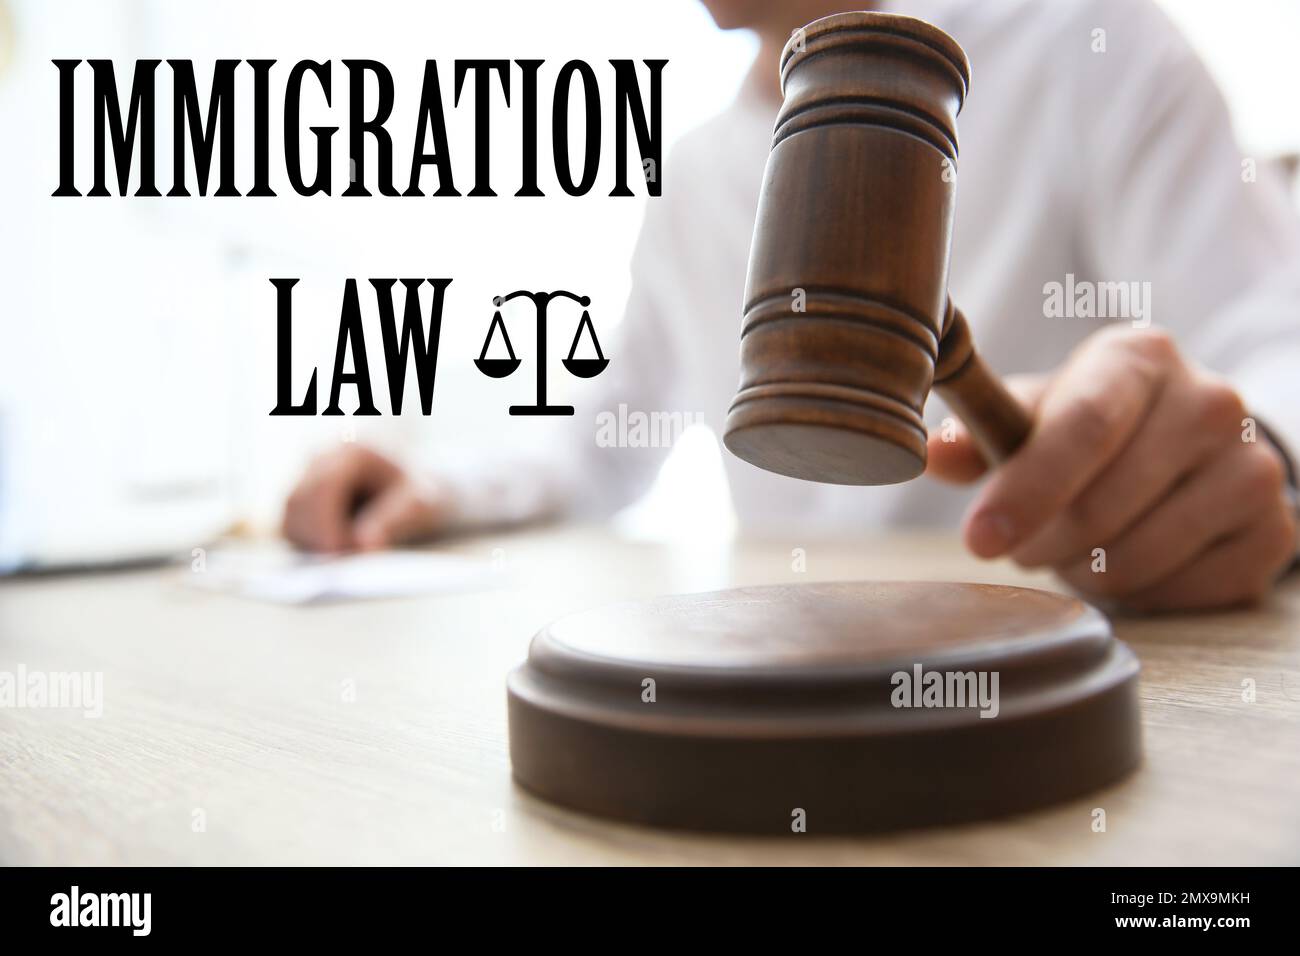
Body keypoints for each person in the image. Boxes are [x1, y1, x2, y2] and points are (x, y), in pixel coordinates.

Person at [282, 0, 1300, 611]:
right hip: (792, 647)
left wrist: (1247, 458)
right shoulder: (691, 171)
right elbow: (597, 446)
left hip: (1075, 641)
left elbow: (1271, 349)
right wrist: (431, 480)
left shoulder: (1094, 45)